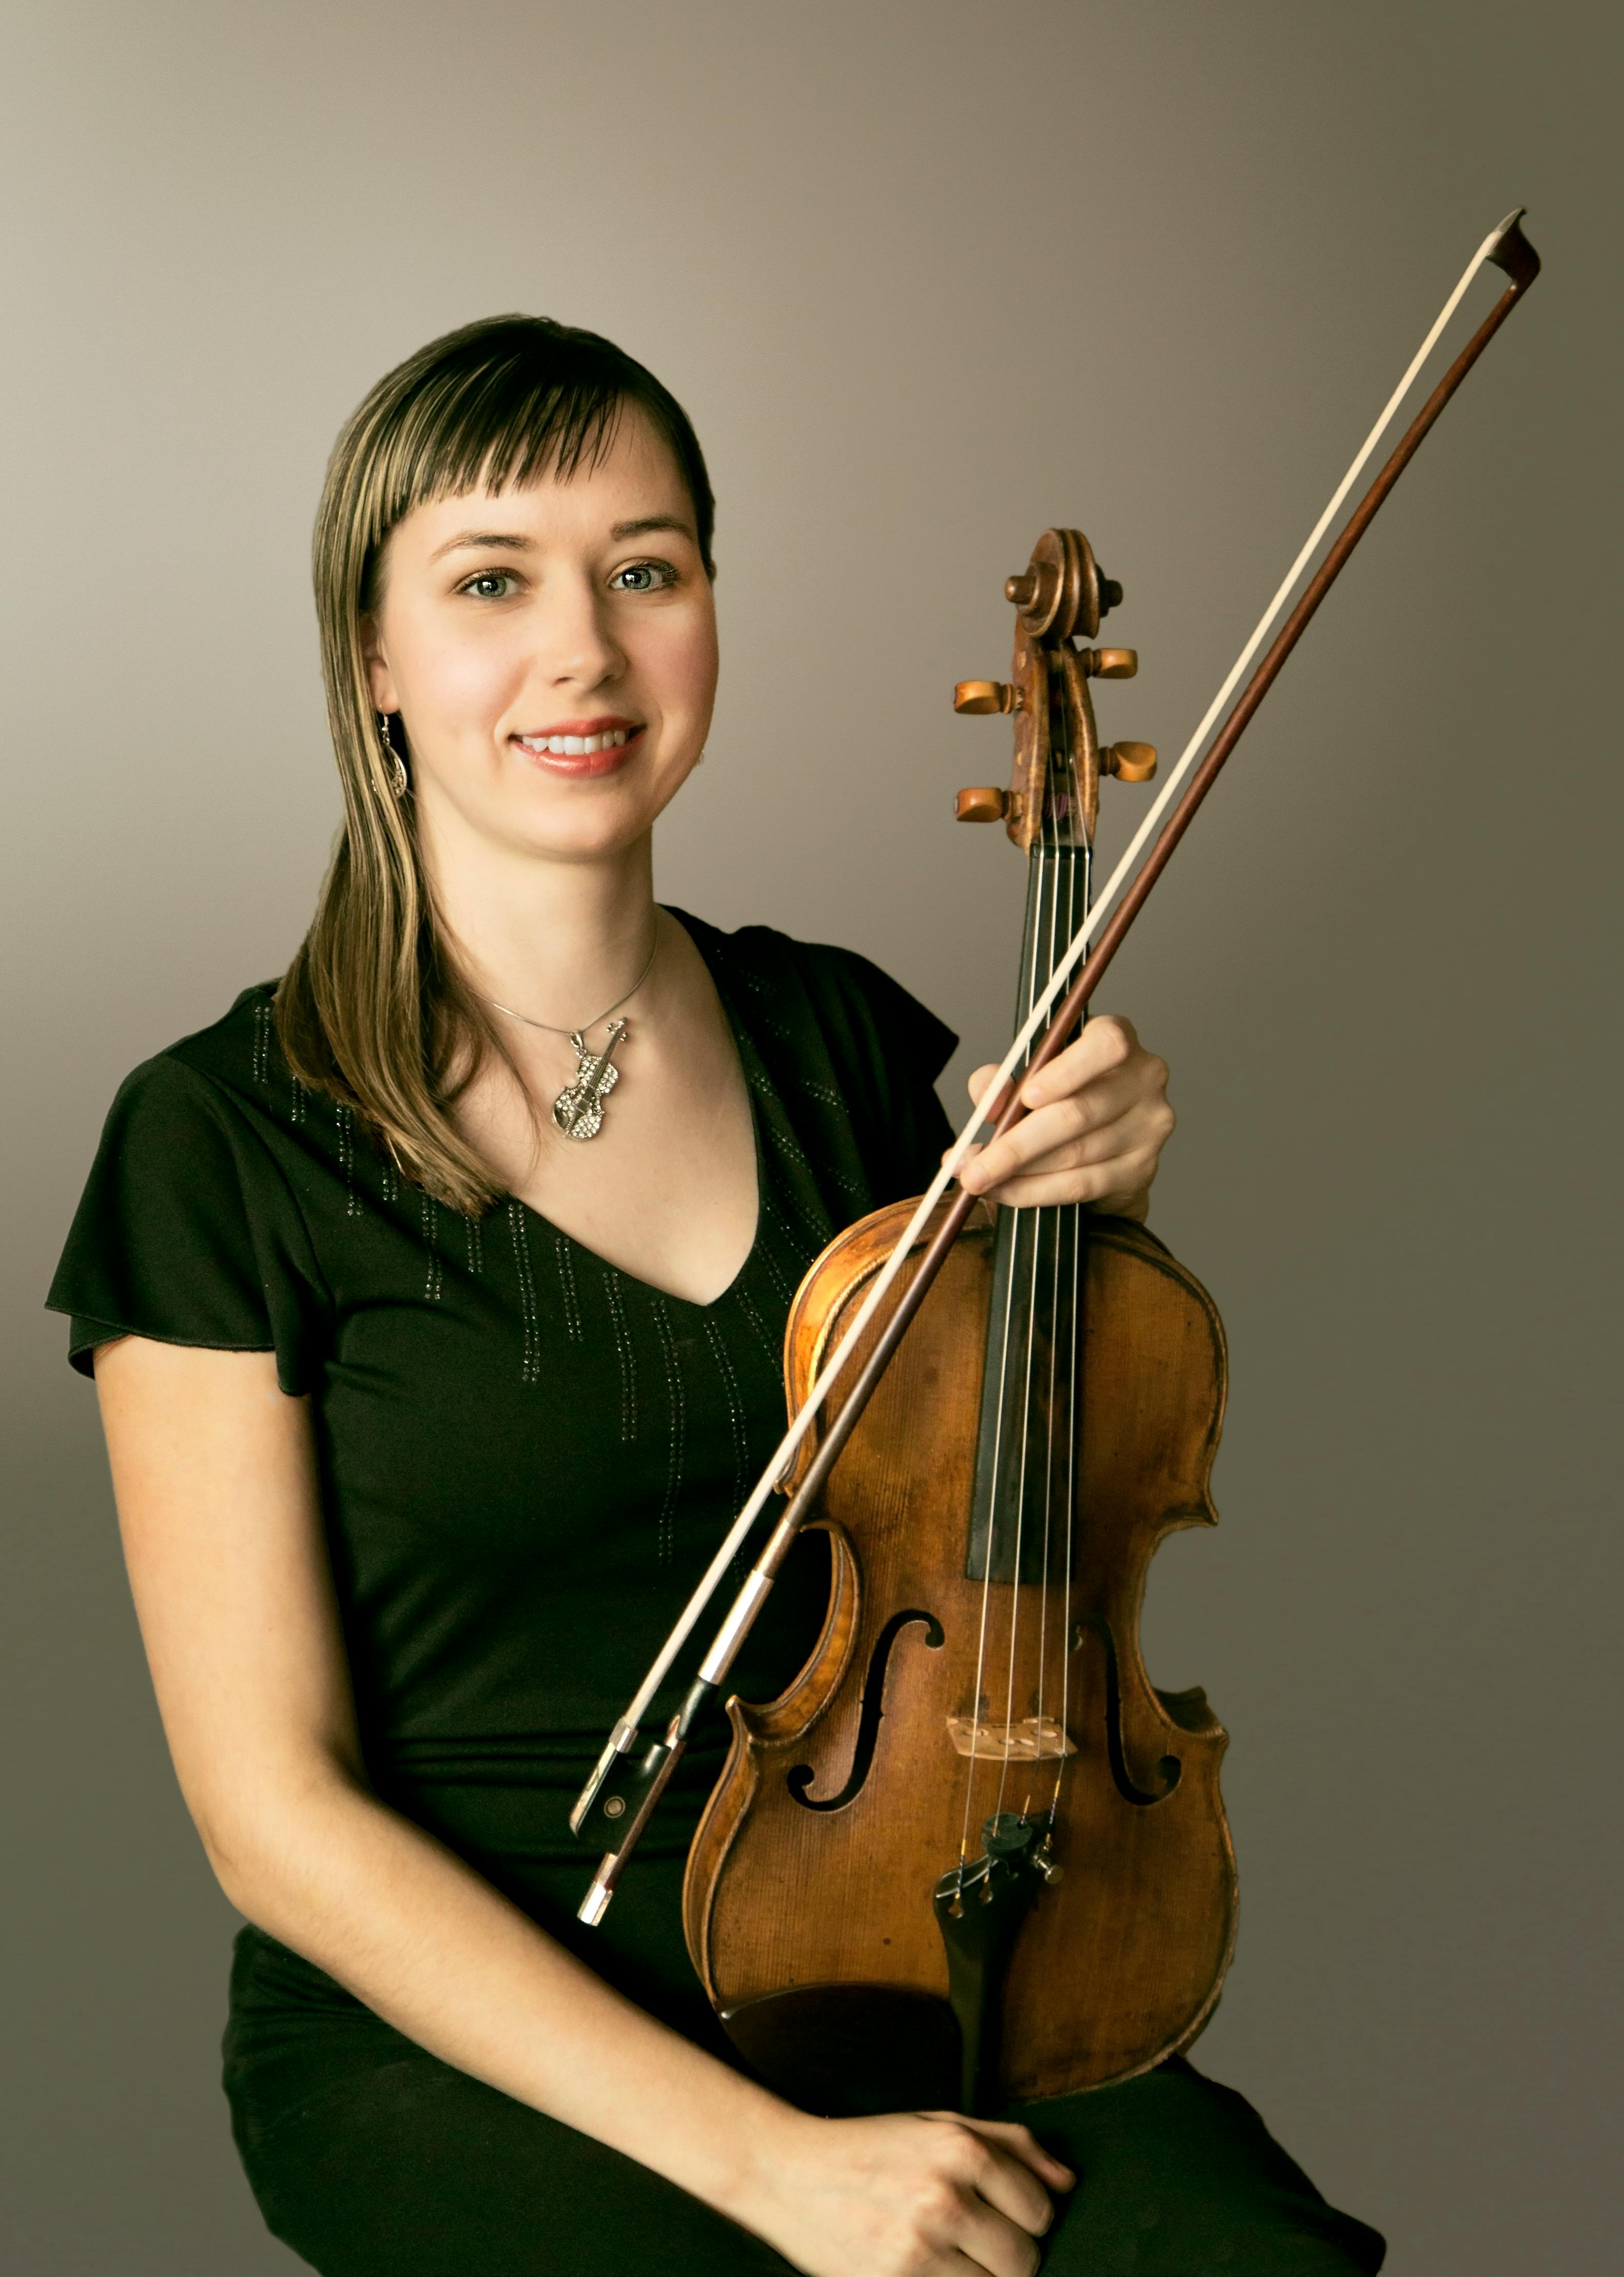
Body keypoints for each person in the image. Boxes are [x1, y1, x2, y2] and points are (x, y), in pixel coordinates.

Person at [48, 317, 1385, 2276]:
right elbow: (274, 1815)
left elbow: (1009, 1505)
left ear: (706, 620)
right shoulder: (218, 1142)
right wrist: (770, 2172)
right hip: (469, 2038)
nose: (582, 647)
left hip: (906, 1943)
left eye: (645, 569)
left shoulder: (841, 1042)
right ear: (376, 664)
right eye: (490, 582)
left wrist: (1097, 1197)